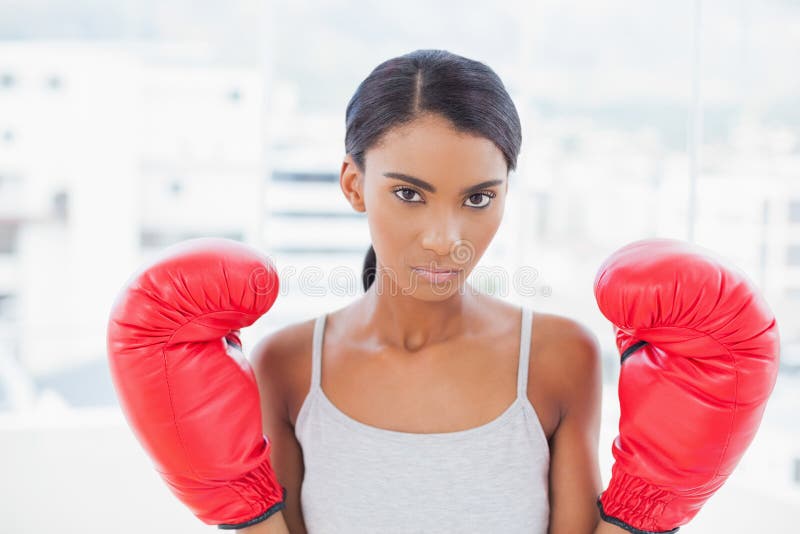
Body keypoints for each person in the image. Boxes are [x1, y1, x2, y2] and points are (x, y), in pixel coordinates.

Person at [107, 49, 779, 534]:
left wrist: (645, 515)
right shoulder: (286, 364)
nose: (443, 236)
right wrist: (238, 513)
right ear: (352, 185)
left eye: (478, 198)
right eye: (408, 194)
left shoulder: (556, 356)